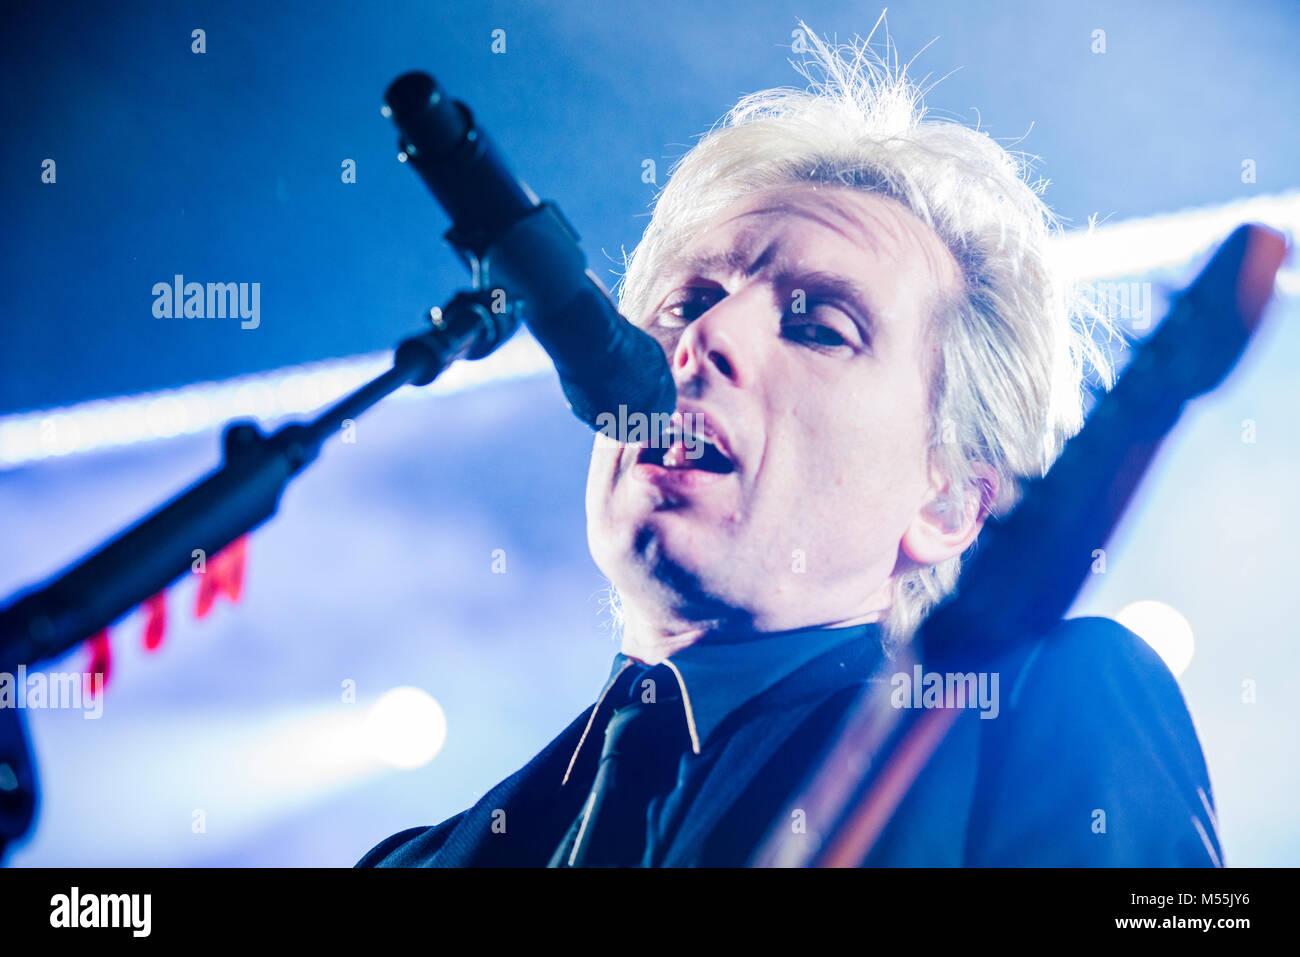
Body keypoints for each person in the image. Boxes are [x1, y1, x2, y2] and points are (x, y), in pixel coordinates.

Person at [357, 25, 1223, 868]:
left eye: (819, 327)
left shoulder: (1037, 719)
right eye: (688, 299)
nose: (709, 336)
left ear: (951, 500)